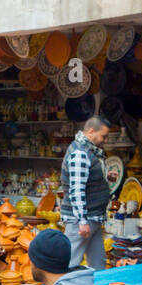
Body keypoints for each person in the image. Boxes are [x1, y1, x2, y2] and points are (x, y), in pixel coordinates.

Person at [60, 116, 112, 270]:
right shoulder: (80, 154)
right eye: (103, 136)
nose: (105, 140)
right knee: (70, 264)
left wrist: (104, 177)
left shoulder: (89, 150)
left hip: (92, 218)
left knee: (98, 263)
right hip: (82, 220)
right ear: (91, 132)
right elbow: (76, 189)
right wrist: (82, 220)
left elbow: (86, 178)